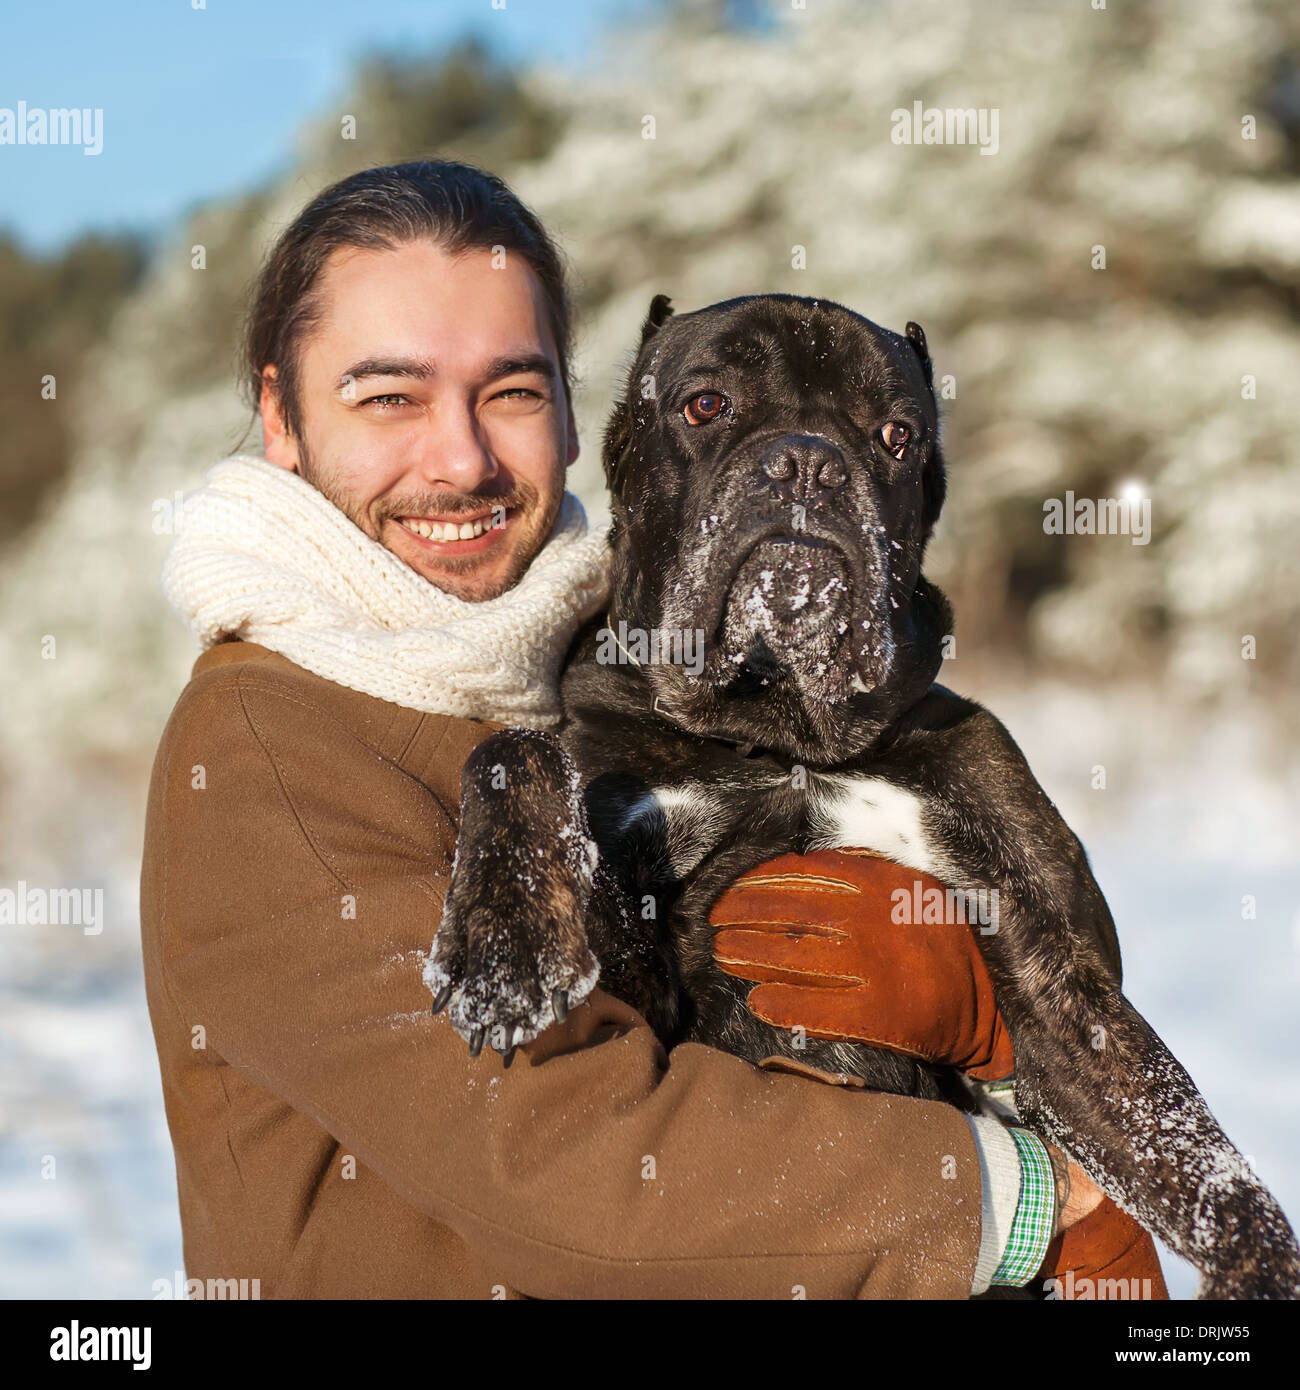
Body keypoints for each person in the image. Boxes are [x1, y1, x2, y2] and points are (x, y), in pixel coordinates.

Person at [139, 159, 1166, 1299]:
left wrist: (999, 1042)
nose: (462, 459)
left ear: (580, 421)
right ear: (281, 416)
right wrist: (1029, 1195)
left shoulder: (603, 676)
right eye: (389, 396)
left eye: (512, 392)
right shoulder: (263, 749)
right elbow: (575, 1167)